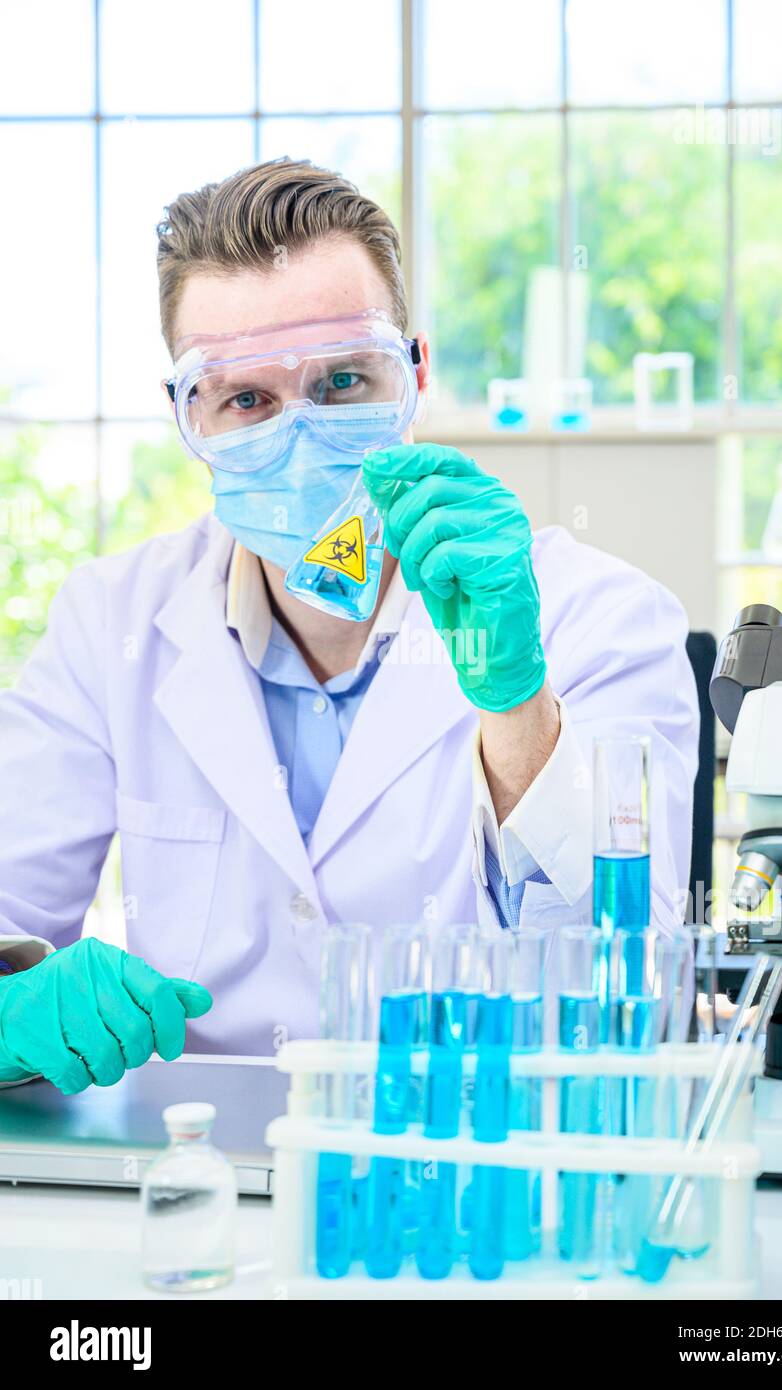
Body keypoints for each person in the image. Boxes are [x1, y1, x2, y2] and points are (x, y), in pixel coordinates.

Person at [0, 158, 698, 1094]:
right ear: (185, 415)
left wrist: (517, 701)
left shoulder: (601, 619)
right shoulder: (110, 626)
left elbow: (634, 1000)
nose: (298, 434)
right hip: (207, 1167)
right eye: (246, 399)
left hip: (482, 1170)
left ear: (412, 374)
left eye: (341, 381)